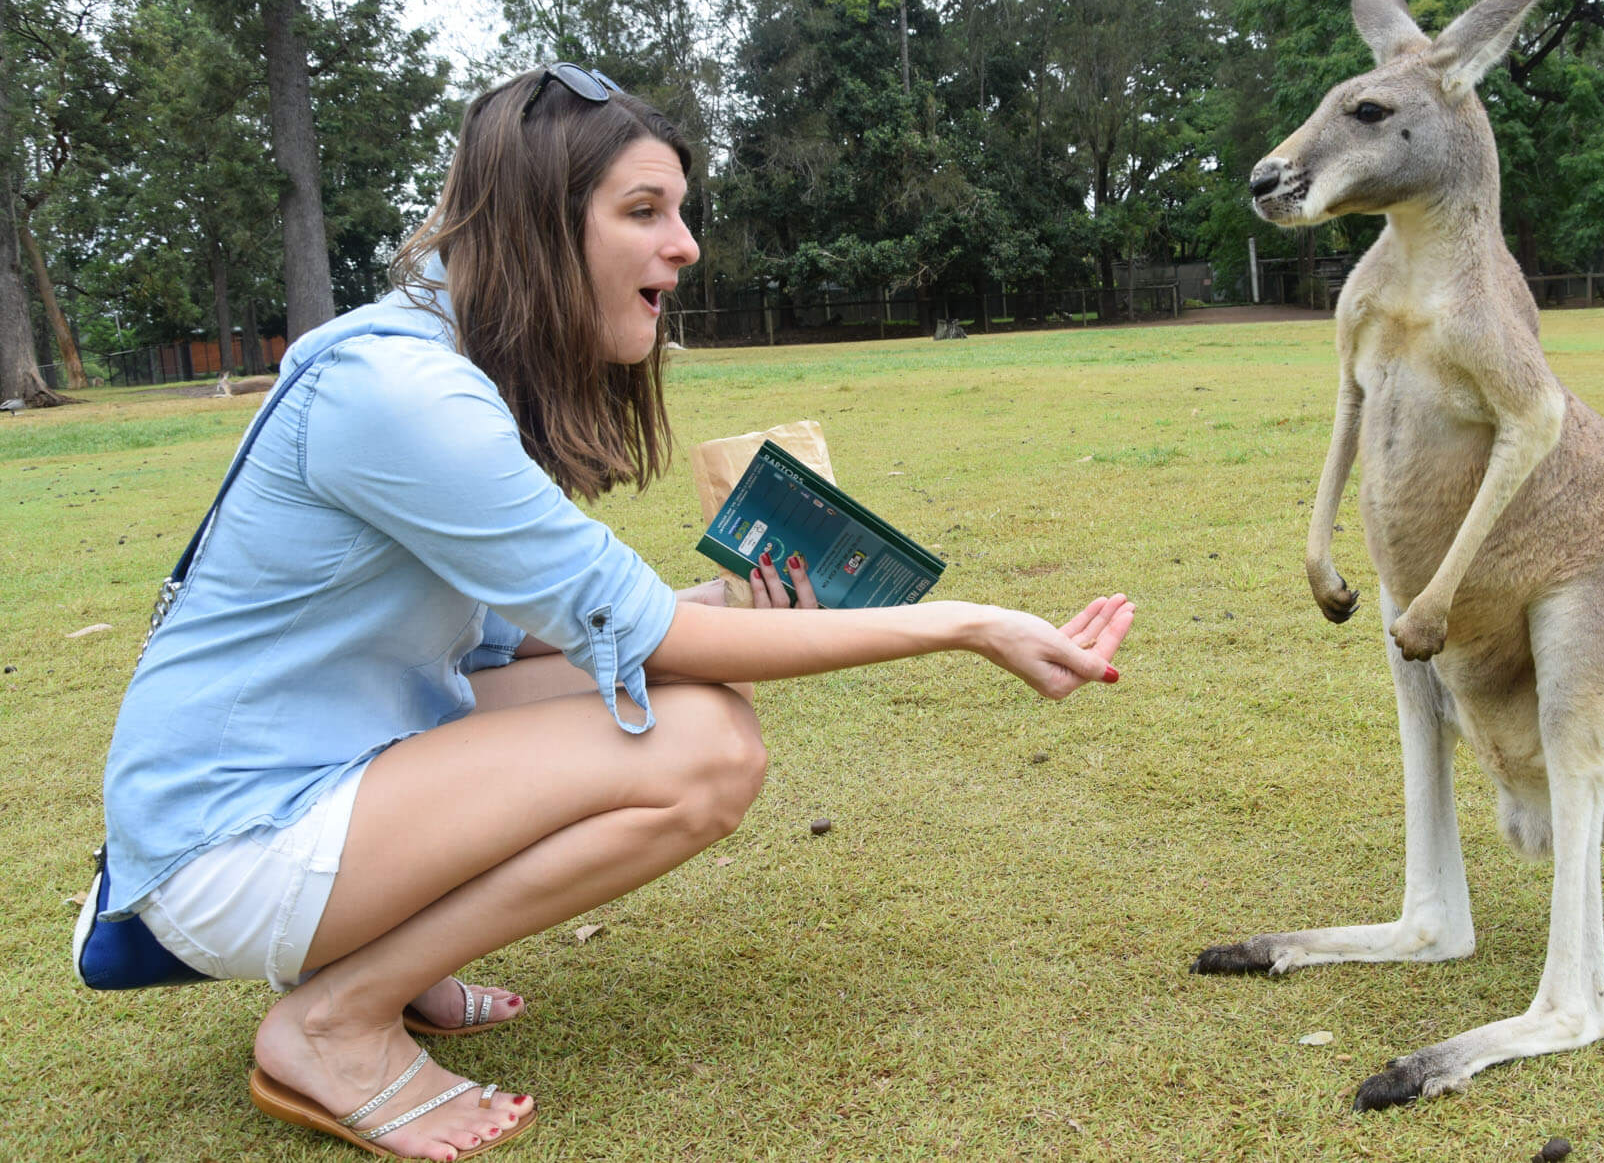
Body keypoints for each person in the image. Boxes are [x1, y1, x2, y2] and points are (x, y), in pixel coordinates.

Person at [93, 64, 1135, 1161]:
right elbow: (648, 637)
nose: (685, 246)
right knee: (703, 745)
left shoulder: (439, 357)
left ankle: (370, 962)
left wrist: (727, 600)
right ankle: (333, 1021)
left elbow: (523, 638)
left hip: (313, 775)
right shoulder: (406, 393)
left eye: (678, 211)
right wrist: (964, 624)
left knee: (690, 684)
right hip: (236, 835)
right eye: (643, 211)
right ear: (537, 225)